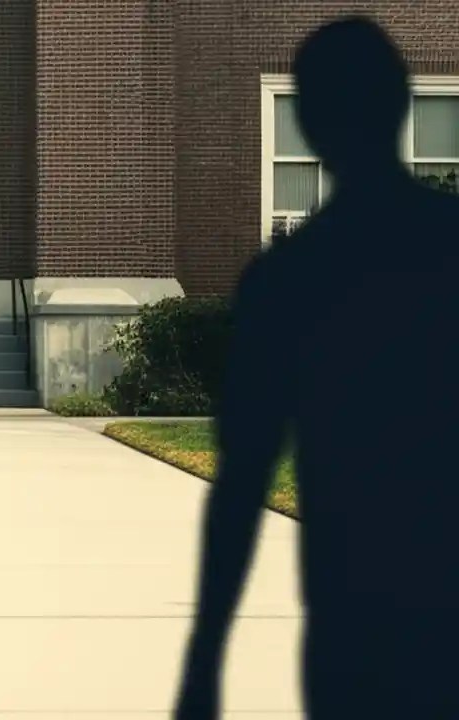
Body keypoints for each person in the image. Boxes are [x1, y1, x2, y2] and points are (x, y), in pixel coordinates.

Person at [173, 16, 459, 720]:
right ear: (401, 105)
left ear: (308, 120)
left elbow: (241, 484)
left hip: (352, 619)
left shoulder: (288, 280)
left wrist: (206, 660)